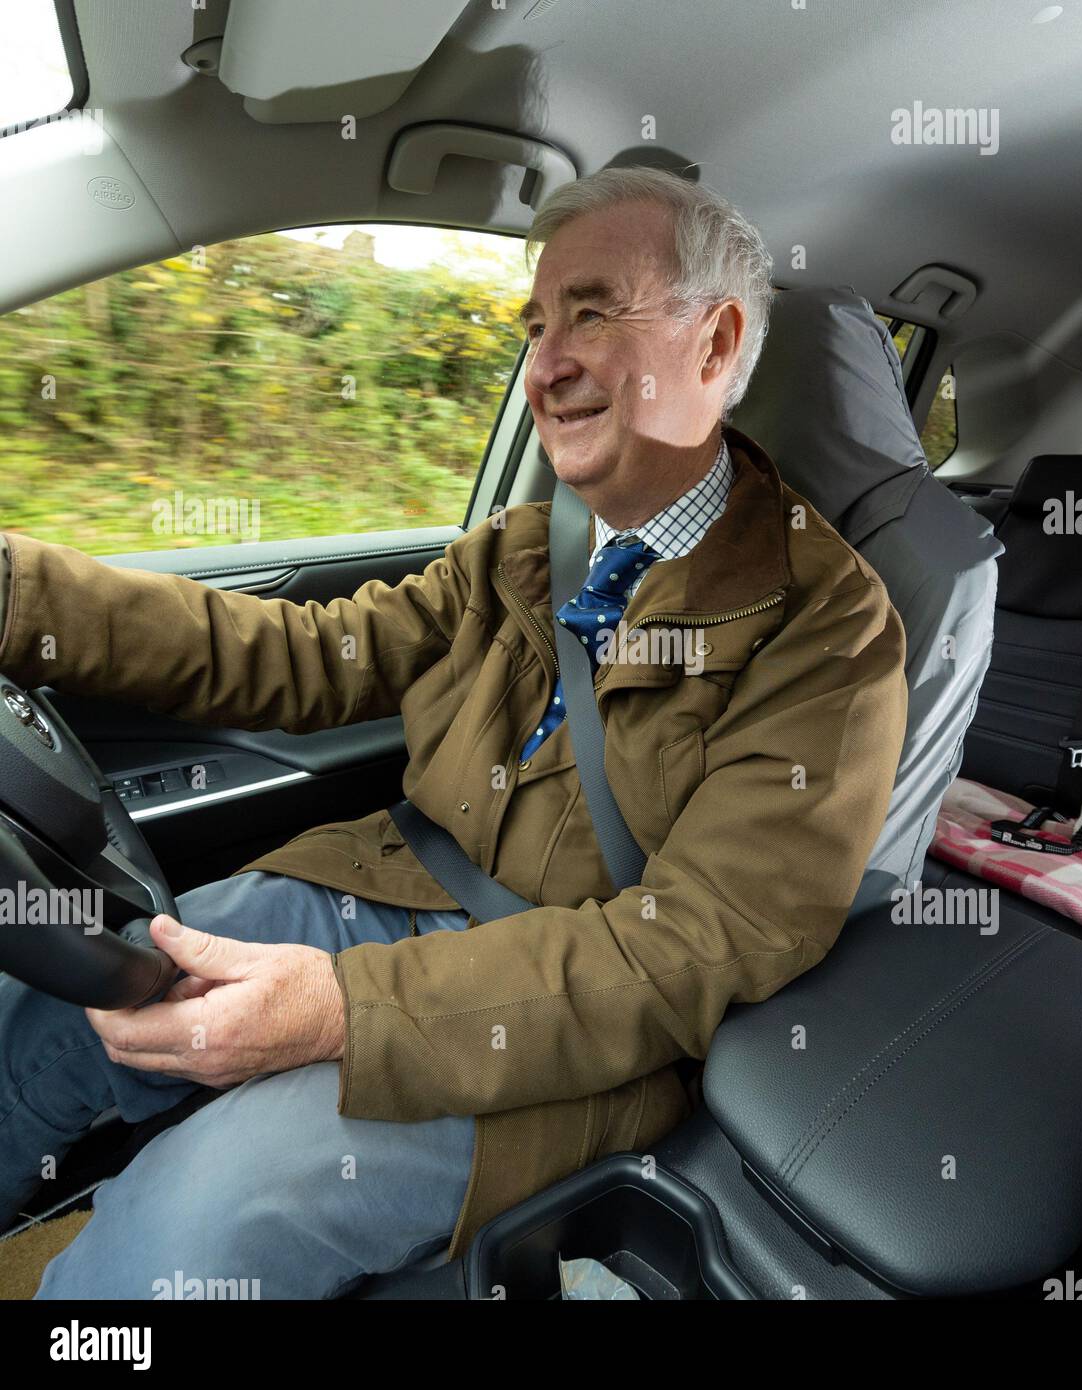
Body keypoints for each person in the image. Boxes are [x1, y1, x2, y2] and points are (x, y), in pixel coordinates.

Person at [0, 166, 906, 1297]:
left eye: (590, 311)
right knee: (50, 999)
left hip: (570, 1029)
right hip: (384, 891)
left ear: (714, 345)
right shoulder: (528, 544)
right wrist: (17, 599)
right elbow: (299, 656)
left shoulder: (830, 625)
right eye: (535, 323)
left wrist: (343, 1011)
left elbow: (693, 948)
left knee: (193, 1226)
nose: (542, 364)